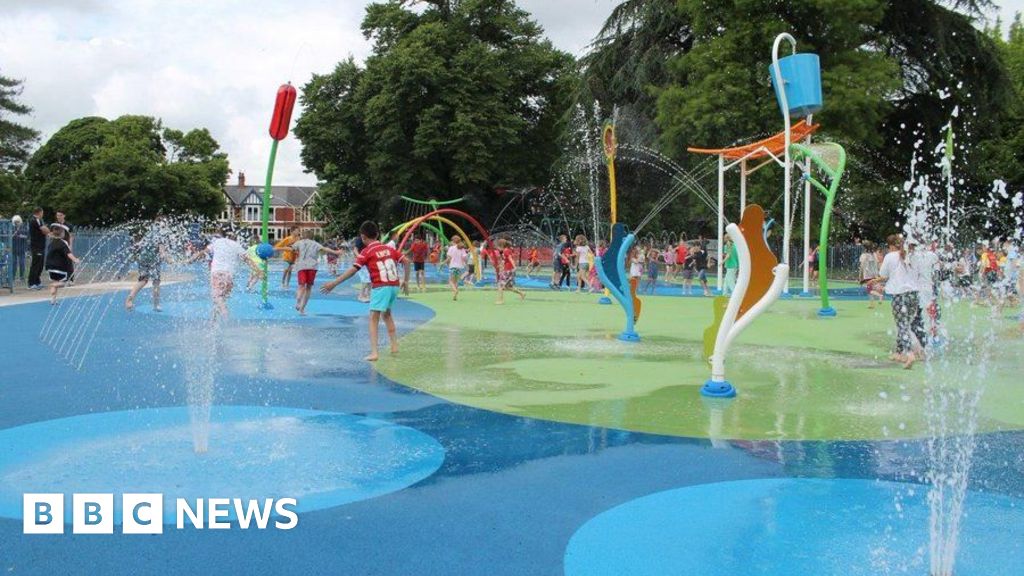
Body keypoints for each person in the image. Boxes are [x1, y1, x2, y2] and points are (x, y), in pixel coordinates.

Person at [320, 221, 410, 361]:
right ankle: (394, 346)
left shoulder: (366, 251)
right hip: (394, 285)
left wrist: (334, 283)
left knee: (373, 319)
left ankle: (374, 353)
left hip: (381, 287)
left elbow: (352, 270)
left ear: (363, 237)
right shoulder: (390, 249)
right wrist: (406, 281)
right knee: (387, 315)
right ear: (378, 234)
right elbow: (407, 262)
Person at [870, 234, 926, 369]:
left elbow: (883, 275)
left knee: (902, 325)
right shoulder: (916, 257)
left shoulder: (890, 257)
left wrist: (876, 281)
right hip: (914, 295)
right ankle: (899, 352)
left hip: (900, 295)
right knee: (906, 324)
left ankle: (909, 354)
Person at [190, 229, 259, 320]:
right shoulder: (236, 245)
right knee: (220, 299)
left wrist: (190, 260)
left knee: (217, 297)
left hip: (217, 273)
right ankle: (214, 321)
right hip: (229, 277)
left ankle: (225, 314)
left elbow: (203, 252)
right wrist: (258, 271)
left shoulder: (217, 242)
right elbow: (247, 259)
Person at [284, 229, 345, 315]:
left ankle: (298, 299)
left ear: (303, 236)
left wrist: (278, 248)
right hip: (312, 267)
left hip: (301, 266)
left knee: (301, 286)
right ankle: (302, 309)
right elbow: (325, 249)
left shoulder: (299, 243)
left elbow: (289, 248)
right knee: (308, 288)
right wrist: (336, 252)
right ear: (312, 237)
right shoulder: (315, 243)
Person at [125, 227, 165, 312]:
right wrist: (164, 256)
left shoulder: (148, 233)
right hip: (154, 260)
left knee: (143, 280)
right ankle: (156, 304)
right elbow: (162, 251)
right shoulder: (161, 234)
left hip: (142, 258)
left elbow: (139, 245)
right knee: (156, 282)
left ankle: (130, 297)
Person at [45, 226, 79, 305]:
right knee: (66, 283)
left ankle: (53, 300)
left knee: (55, 280)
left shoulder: (51, 242)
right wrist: (75, 260)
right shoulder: (62, 243)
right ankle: (54, 285)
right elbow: (68, 253)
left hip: (50, 267)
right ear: (62, 234)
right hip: (59, 267)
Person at [494, 238, 526, 304]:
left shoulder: (506, 251)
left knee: (500, 284)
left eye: (498, 247)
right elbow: (505, 260)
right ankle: (522, 293)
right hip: (508, 270)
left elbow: (510, 258)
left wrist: (514, 267)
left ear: (501, 245)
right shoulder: (506, 250)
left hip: (508, 270)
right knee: (508, 286)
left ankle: (500, 300)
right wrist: (501, 266)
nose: (497, 248)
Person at [27, 207, 50, 290]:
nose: (42, 214)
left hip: (41, 246)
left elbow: (44, 229)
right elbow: (44, 230)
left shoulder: (39, 220)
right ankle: (31, 283)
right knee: (35, 264)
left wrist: (46, 229)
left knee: (40, 265)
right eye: (42, 212)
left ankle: (37, 282)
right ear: (39, 212)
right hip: (36, 246)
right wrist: (48, 231)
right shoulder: (35, 219)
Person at [858, 241, 884, 308]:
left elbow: (862, 266)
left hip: (867, 275)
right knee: (871, 288)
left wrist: (860, 275)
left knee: (869, 290)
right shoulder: (874, 254)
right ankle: (872, 304)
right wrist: (877, 273)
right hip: (874, 274)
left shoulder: (863, 255)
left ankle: (879, 296)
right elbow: (877, 263)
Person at [445, 236, 469, 301]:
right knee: (456, 281)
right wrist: (466, 265)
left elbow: (449, 258)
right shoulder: (462, 249)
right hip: (459, 267)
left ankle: (455, 291)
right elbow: (464, 258)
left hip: (453, 266)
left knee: (451, 281)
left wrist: (443, 262)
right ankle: (455, 296)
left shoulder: (451, 248)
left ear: (453, 241)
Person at [11, 215, 27, 282]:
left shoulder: (23, 228)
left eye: (17, 222)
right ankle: (13, 277)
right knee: (14, 263)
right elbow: (9, 237)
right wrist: (14, 234)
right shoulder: (12, 228)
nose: (16, 223)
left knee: (22, 263)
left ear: (20, 221)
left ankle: (22, 277)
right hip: (14, 249)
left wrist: (21, 235)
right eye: (15, 222)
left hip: (22, 248)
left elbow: (27, 236)